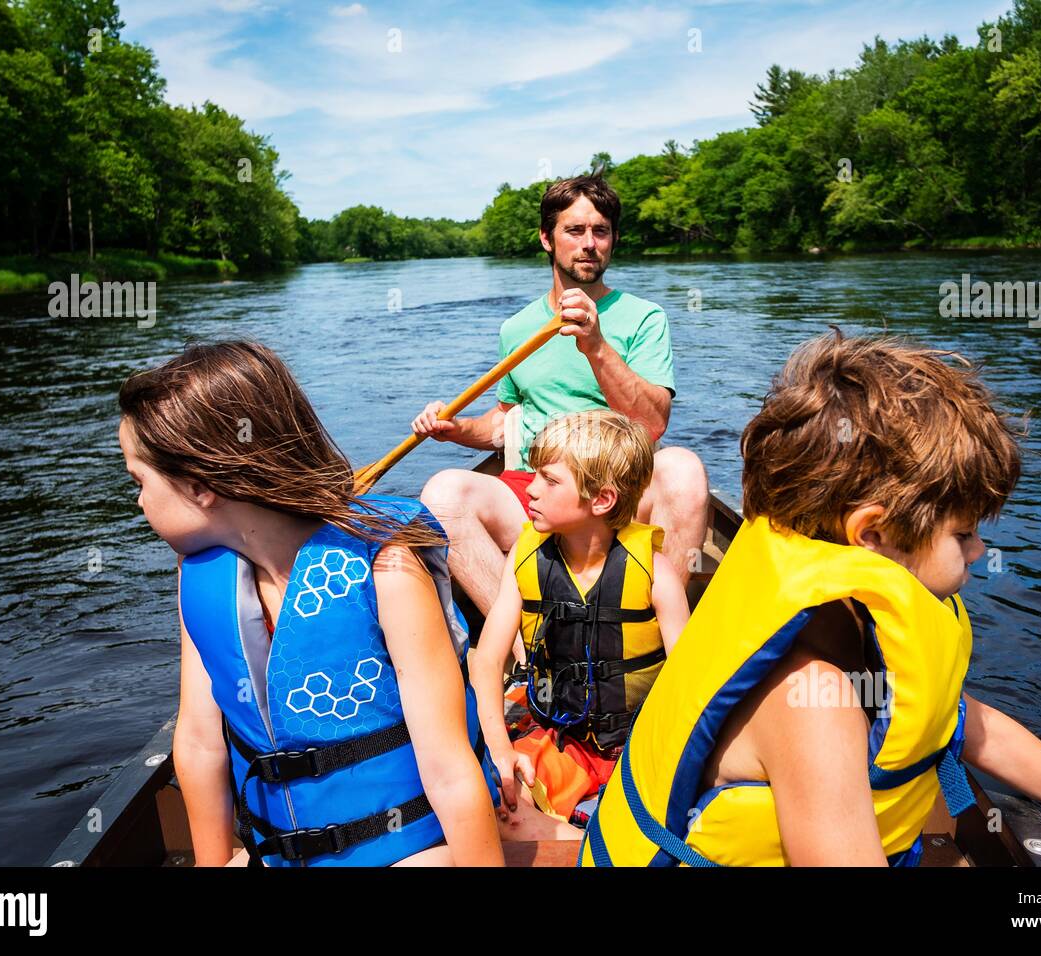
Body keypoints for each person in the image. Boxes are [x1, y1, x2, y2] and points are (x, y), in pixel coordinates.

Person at [582, 332, 1041, 867]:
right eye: (964, 534)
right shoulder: (811, 706)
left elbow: (964, 723)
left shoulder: (839, 604)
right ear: (873, 535)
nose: (977, 553)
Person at [117, 341, 504, 867]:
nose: (138, 502)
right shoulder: (202, 579)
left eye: (139, 482)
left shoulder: (386, 568)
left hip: (409, 848)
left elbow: (450, 771)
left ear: (201, 487)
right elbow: (200, 743)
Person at [412, 174, 709, 619]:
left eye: (601, 231)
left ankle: (651, 634)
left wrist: (597, 346)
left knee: (683, 469)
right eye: (575, 230)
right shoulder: (516, 328)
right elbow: (504, 422)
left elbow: (652, 425)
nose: (590, 243)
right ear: (547, 239)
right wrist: (456, 430)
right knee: (443, 492)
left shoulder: (645, 317)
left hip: (617, 493)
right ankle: (523, 654)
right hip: (538, 492)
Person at [469, 411, 689, 840]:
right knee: (496, 801)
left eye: (549, 480)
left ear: (601, 500)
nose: (530, 490)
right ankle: (586, 833)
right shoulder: (525, 556)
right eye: (535, 475)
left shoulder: (654, 574)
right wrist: (498, 751)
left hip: (633, 739)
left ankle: (585, 832)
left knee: (667, 811)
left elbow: (687, 683)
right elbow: (487, 661)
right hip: (554, 730)